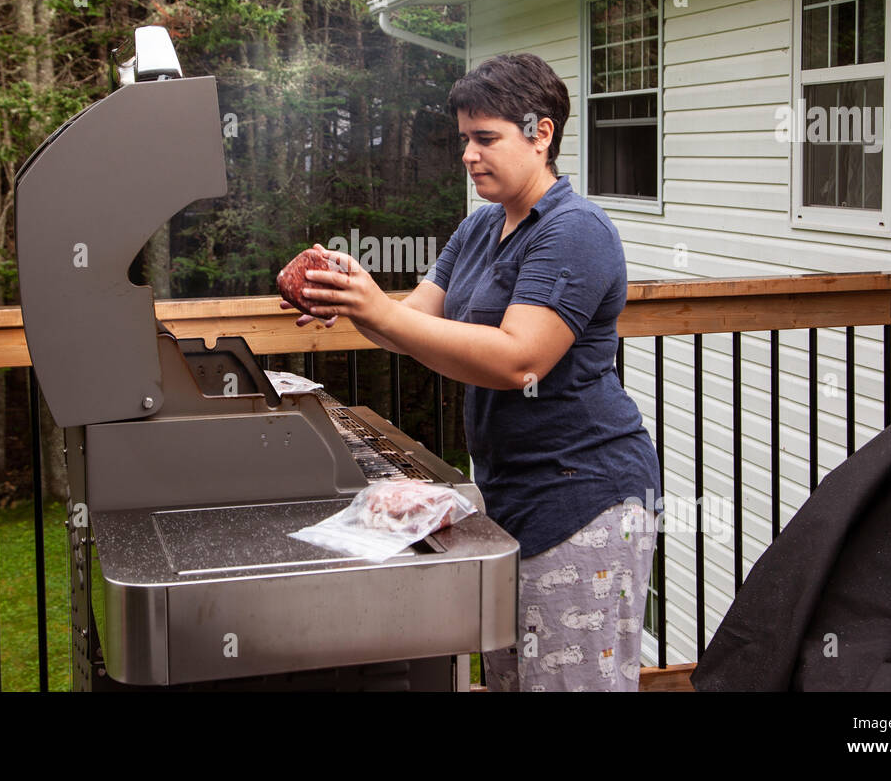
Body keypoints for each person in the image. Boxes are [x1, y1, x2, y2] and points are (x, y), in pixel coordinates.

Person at [280, 52, 662, 691]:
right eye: (465, 138)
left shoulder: (576, 231)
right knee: (514, 680)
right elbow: (411, 328)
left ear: (541, 134)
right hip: (509, 490)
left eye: (487, 138)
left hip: (584, 491)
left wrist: (378, 311)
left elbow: (519, 359)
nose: (468, 154)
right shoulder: (482, 225)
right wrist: (353, 301)